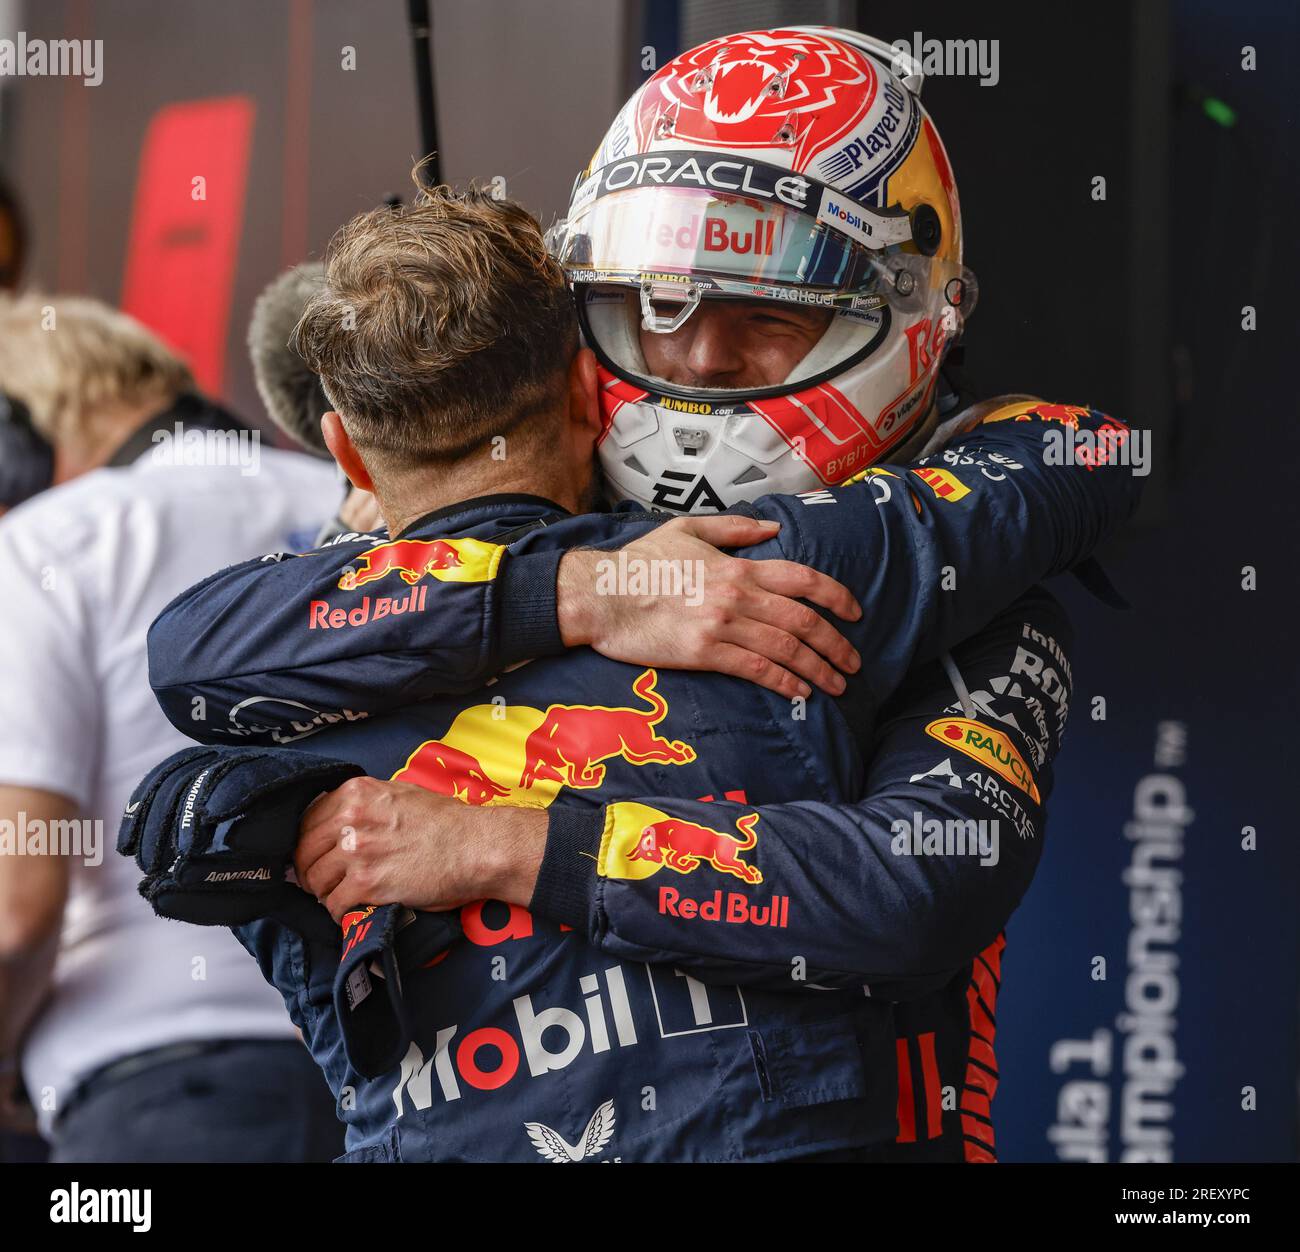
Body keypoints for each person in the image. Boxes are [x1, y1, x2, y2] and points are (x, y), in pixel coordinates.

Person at [128, 160, 1140, 1159]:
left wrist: (498, 842)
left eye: (765, 319)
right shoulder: (776, 567)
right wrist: (582, 593)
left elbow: (186, 658)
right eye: (670, 317)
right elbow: (1088, 456)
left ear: (345, 452)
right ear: (588, 388)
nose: (702, 358)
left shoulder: (268, 704)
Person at [0, 294, 344, 1162]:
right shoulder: (353, 500)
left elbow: (13, 912)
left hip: (160, 1089)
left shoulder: (47, 544)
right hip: (407, 1072)